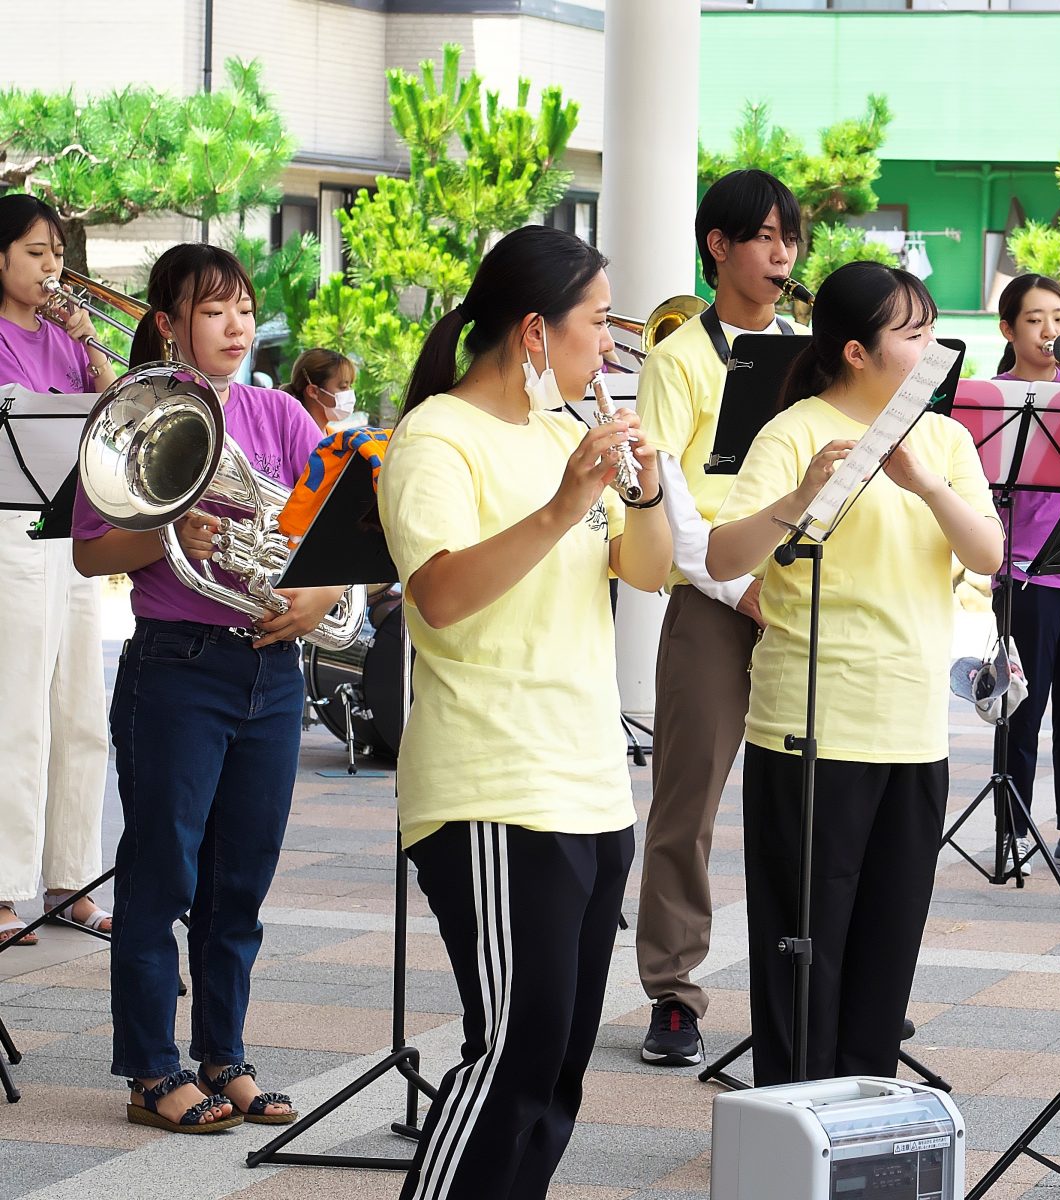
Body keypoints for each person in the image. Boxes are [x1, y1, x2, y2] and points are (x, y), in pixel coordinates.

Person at [376, 225, 671, 1199]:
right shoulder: (435, 436)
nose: (612, 345)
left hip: (588, 785)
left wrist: (647, 491)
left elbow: (651, 572)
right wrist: (559, 504)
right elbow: (442, 596)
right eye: (598, 322)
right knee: (510, 1050)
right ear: (535, 331)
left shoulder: (559, 435)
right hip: (491, 789)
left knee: (556, 1069)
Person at [706, 260, 1002, 1084]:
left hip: (911, 729)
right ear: (857, 353)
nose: (931, 347)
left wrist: (926, 484)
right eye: (912, 335)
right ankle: (797, 1120)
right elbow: (728, 557)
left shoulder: (943, 438)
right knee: (804, 945)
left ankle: (866, 1112)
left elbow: (990, 557)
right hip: (810, 726)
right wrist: (800, 494)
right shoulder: (796, 430)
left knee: (887, 940)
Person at [73, 243, 344, 1132]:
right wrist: (163, 528)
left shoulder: (277, 413)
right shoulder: (136, 414)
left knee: (241, 884)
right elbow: (89, 550)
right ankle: (153, 1068)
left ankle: (224, 1055)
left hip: (270, 667)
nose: (235, 325)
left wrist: (321, 596)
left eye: (243, 307)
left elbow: (341, 520)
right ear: (167, 321)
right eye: (213, 309)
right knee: (162, 874)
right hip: (177, 666)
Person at [632, 168, 803, 1066]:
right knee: (686, 800)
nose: (782, 255)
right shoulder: (677, 358)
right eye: (765, 238)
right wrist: (741, 589)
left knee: (815, 798)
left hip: (798, 597)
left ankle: (818, 982)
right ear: (719, 248)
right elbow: (668, 498)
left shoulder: (813, 354)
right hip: (713, 601)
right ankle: (672, 991)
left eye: (789, 240)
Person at [0, 194, 112, 949]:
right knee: (16, 712)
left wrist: (91, 343)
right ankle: (5, 889)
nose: (51, 266)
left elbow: (115, 413)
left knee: (80, 708)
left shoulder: (68, 339)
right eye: (36, 252)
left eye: (58, 254)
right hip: (10, 522)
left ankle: (71, 878)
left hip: (72, 526)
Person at [988, 273, 1060, 876]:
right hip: (1026, 572)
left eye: (1059, 318)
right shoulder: (989, 399)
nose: (1050, 331)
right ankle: (1014, 834)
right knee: (1022, 708)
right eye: (1035, 320)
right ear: (1008, 330)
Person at [285, 347, 361, 431]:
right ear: (313, 391)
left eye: (350, 386)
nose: (349, 392)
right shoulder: (299, 438)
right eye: (343, 387)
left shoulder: (331, 434)